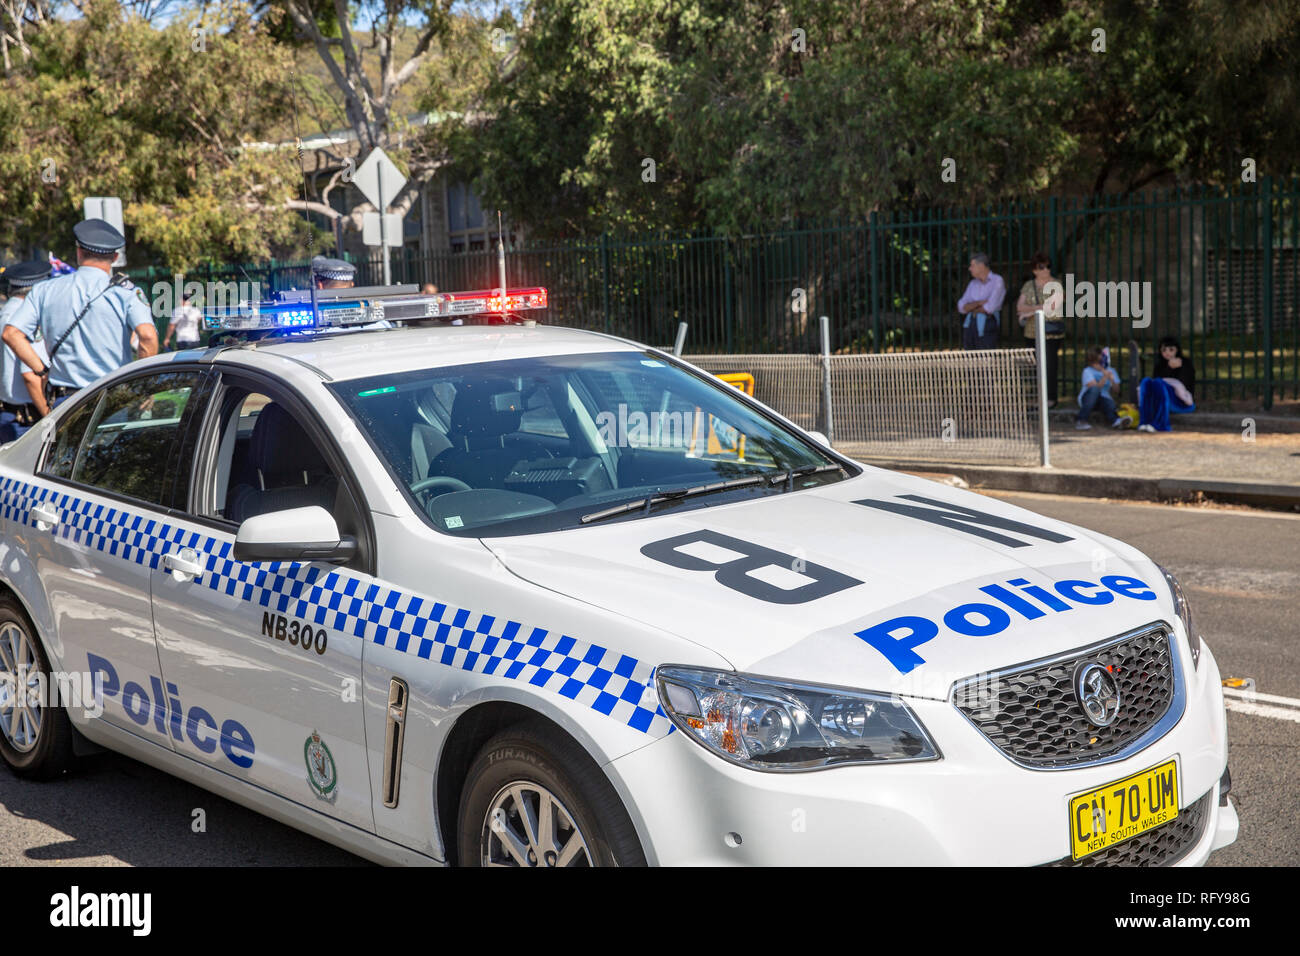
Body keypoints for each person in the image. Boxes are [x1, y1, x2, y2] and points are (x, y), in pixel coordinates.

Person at [2, 219, 157, 410]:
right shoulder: (127, 292)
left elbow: (11, 334)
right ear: (115, 257)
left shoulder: (44, 290)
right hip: (113, 397)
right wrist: (142, 387)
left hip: (67, 401)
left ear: (79, 252)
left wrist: (41, 370)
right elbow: (148, 336)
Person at [0, 260, 52, 438]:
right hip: (28, 419)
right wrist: (51, 417)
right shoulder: (24, 319)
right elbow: (31, 375)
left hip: (9, 415)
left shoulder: (5, 312)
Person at [1015, 251, 1066, 406]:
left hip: (1051, 333)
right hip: (1032, 333)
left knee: (1050, 365)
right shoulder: (1028, 286)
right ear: (1034, 270)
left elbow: (1052, 307)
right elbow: (1019, 306)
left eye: (1048, 266)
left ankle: (1051, 398)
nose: (1046, 270)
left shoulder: (1056, 285)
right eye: (1042, 267)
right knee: (1036, 366)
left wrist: (1029, 312)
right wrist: (1037, 309)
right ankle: (1039, 396)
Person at [1137, 336, 1196, 432]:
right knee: (1146, 381)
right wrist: (1168, 368)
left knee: (1159, 383)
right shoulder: (1159, 365)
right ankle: (1144, 422)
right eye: (1164, 350)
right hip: (1160, 398)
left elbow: (1185, 386)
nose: (1167, 352)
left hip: (1181, 401)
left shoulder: (1186, 363)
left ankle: (1160, 424)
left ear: (1177, 350)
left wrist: (1178, 368)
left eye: (1171, 349)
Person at [957, 252, 1005, 350]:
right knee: (970, 358)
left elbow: (989, 308)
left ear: (982, 266)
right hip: (970, 324)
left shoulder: (997, 281)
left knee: (985, 357)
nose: (970, 269)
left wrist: (970, 307)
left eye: (972, 265)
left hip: (988, 323)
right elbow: (961, 306)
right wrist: (979, 303)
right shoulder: (973, 283)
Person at [1076, 346, 1129, 430]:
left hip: (1104, 400)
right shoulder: (1087, 371)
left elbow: (1117, 391)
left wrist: (1112, 379)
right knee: (1095, 390)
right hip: (1088, 401)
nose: (1095, 365)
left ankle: (1116, 421)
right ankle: (1081, 420)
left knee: (1109, 403)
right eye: (1093, 363)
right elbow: (1095, 388)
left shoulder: (1111, 370)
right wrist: (1105, 377)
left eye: (1097, 362)